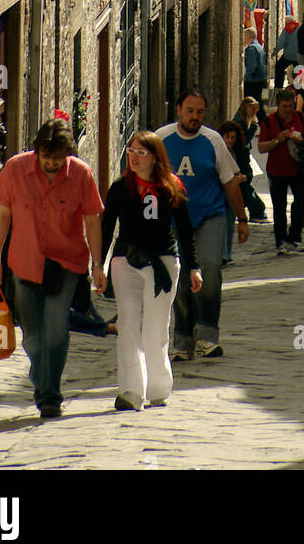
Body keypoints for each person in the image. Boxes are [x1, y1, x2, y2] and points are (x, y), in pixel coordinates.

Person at [0, 119, 105, 420]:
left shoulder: (80, 174)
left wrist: (97, 264)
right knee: (32, 337)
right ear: (37, 150)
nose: (52, 164)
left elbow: (92, 219)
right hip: (24, 262)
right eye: (47, 157)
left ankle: (49, 395)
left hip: (66, 262)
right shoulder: (15, 169)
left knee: (55, 328)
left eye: (58, 159)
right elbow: (2, 215)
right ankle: (43, 380)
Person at [101, 132, 200, 411]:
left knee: (156, 328)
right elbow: (107, 227)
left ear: (155, 157)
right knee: (128, 325)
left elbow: (185, 230)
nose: (134, 156)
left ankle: (157, 386)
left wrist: (194, 267)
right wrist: (99, 265)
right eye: (131, 150)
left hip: (163, 262)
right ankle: (131, 391)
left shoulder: (172, 187)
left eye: (141, 152)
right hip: (126, 260)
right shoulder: (120, 188)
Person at [157, 89, 249, 360]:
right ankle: (183, 340)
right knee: (181, 277)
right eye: (190, 111)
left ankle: (207, 335)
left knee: (208, 269)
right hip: (174, 220)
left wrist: (242, 218)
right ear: (178, 110)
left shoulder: (213, 140)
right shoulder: (162, 139)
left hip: (210, 215)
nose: (195, 117)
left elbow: (229, 181)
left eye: (199, 112)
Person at [258, 90, 304, 254]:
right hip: (276, 172)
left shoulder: (302, 119)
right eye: (284, 106)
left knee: (300, 204)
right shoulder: (269, 122)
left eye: (290, 106)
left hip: (299, 170)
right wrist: (278, 140)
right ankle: (281, 241)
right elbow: (261, 147)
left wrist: (302, 140)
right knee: (279, 208)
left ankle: (295, 238)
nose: (288, 109)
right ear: (278, 106)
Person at [217, 122, 250, 262]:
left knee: (229, 222)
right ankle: (221, 253)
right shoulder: (215, 151)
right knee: (219, 223)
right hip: (218, 192)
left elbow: (248, 171)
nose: (230, 140)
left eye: (233, 137)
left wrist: (244, 177)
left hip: (234, 192)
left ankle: (226, 254)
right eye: (227, 137)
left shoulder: (241, 152)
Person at [243, 27, 267, 115]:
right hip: (260, 79)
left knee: (250, 102)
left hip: (253, 80)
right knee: (258, 101)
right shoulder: (259, 47)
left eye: (244, 36)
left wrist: (245, 78)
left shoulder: (251, 49)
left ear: (248, 37)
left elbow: (252, 67)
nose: (243, 39)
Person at [273, 16, 301, 92]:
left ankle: (278, 88)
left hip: (288, 55)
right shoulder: (300, 29)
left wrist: (275, 51)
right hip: (299, 56)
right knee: (300, 72)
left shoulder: (287, 30)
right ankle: (301, 90)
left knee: (279, 67)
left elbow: (281, 42)